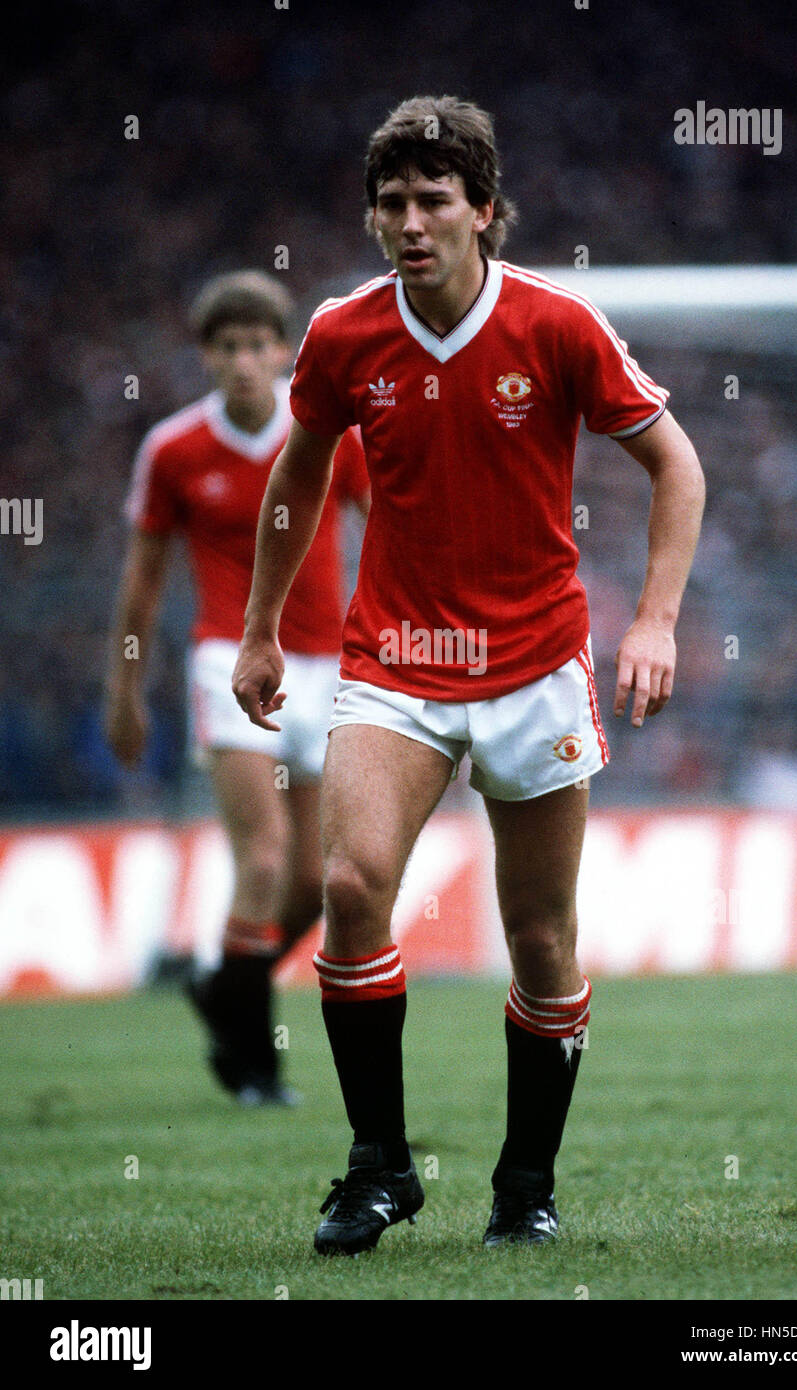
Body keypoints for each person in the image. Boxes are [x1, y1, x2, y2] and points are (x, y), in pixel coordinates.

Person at [232, 97, 705, 1248]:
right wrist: (258, 629)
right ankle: (378, 1166)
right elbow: (297, 478)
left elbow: (674, 463)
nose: (409, 221)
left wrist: (653, 621)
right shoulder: (344, 336)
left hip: (535, 666)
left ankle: (524, 1188)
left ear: (483, 211)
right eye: (390, 202)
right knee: (350, 888)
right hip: (393, 660)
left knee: (539, 940)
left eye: (433, 200)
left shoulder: (555, 325)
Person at [104, 270, 369, 1105]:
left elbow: (390, 532)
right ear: (206, 357)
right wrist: (126, 689)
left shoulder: (331, 436)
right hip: (227, 662)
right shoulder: (175, 450)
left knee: (317, 883)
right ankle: (254, 1065)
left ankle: (225, 988)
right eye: (228, 347)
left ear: (285, 351)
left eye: (259, 344)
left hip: (329, 668)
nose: (246, 361)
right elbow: (141, 582)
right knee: (261, 859)